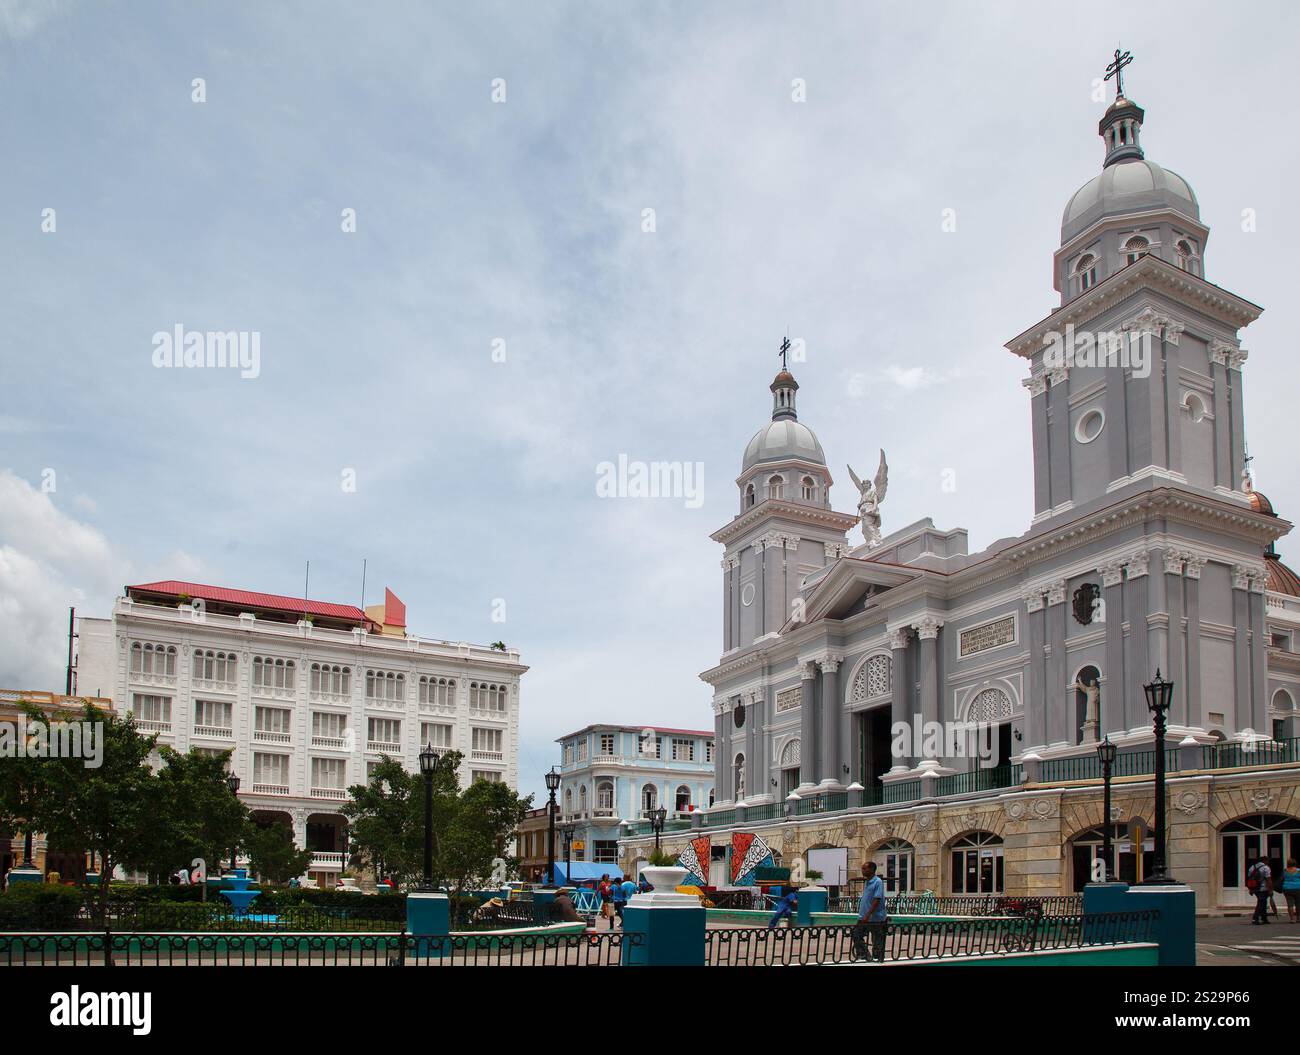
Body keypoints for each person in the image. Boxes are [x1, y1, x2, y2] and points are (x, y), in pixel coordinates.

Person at [851, 861, 888, 961]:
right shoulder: (867, 881)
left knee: (877, 941)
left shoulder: (878, 882)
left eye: (864, 868)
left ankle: (878, 958)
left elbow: (877, 899)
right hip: (864, 917)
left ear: (872, 869)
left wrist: (868, 914)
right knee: (856, 934)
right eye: (862, 868)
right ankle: (865, 955)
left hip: (875, 918)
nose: (862, 871)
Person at [1248, 856, 1273, 924]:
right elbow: (1269, 879)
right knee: (1261, 903)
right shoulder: (1266, 868)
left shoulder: (1252, 867)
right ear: (1264, 860)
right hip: (1263, 888)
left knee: (1263, 903)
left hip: (1255, 888)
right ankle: (1255, 918)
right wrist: (1271, 889)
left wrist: (1250, 889)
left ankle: (1264, 918)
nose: (1268, 862)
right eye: (1267, 861)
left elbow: (1250, 879)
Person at [1280, 858, 1300, 923]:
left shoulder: (1285, 871)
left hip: (1287, 888)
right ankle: (1298, 918)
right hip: (1298, 888)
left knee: (1290, 904)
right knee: (1298, 904)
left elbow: (1282, 878)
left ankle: (1292, 919)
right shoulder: (1299, 870)